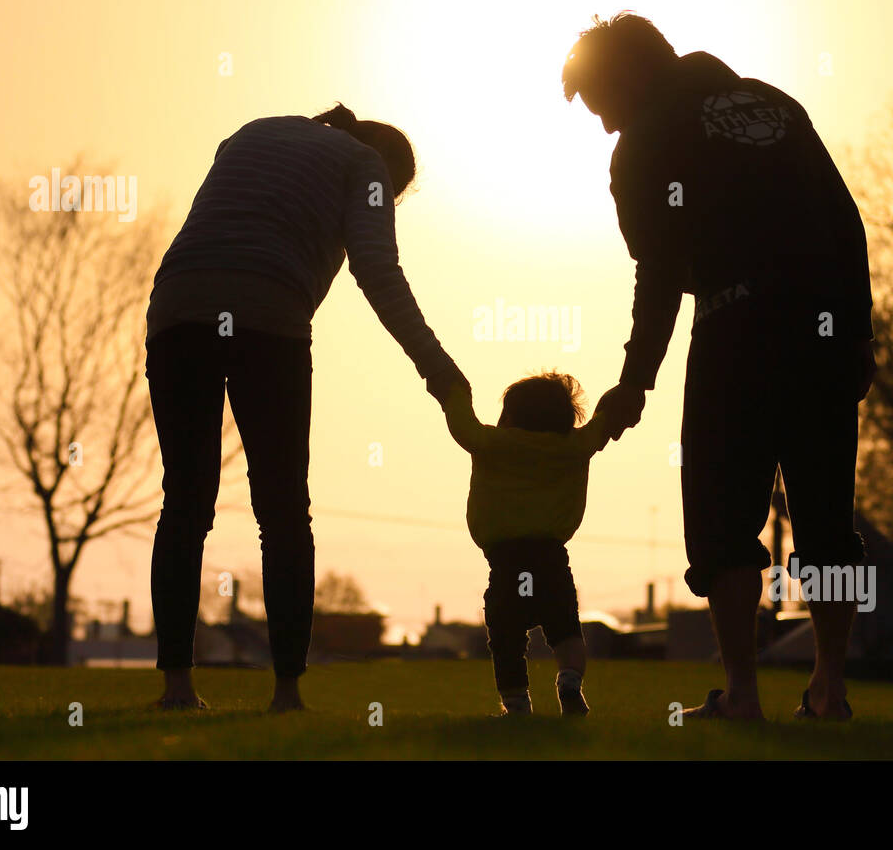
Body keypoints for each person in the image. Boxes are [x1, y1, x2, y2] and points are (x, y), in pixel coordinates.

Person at [562, 13, 876, 720]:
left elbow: (661, 268)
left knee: (722, 518)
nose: (608, 125)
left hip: (736, 330)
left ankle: (742, 694)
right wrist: (858, 330)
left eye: (604, 104)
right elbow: (843, 214)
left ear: (631, 76)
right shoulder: (775, 103)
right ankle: (830, 688)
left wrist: (636, 380)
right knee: (827, 515)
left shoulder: (646, 141)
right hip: (824, 331)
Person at [145, 104, 465, 712]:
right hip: (269, 313)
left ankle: (177, 688)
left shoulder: (253, 129)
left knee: (185, 501)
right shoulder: (366, 164)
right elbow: (377, 269)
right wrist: (437, 367)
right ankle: (287, 692)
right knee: (284, 510)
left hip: (178, 307)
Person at [443, 372, 609, 716]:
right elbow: (603, 423)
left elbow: (462, 425)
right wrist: (623, 396)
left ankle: (517, 705)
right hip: (551, 560)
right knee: (566, 631)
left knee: (507, 638)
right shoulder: (574, 447)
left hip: (506, 564)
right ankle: (569, 680)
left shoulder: (492, 443)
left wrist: (454, 389)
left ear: (512, 418)